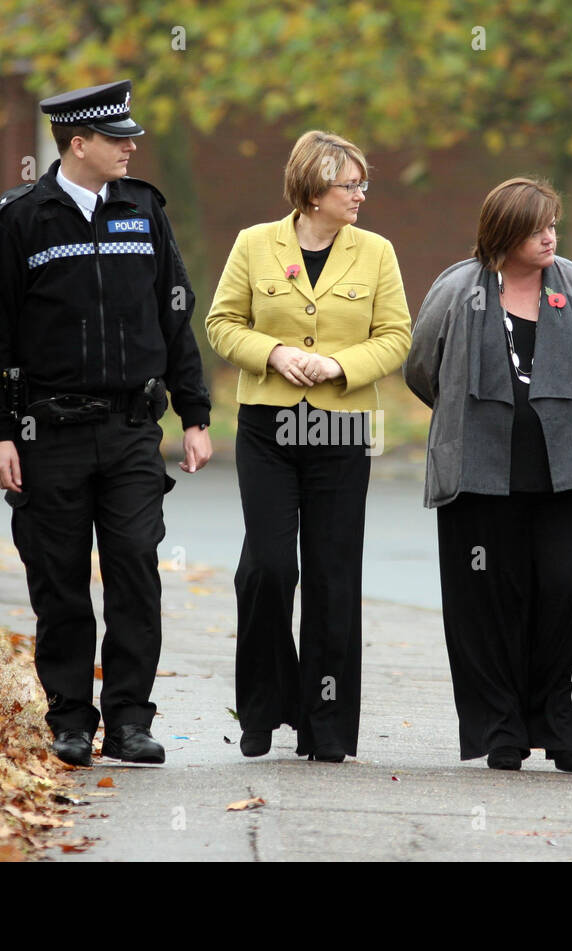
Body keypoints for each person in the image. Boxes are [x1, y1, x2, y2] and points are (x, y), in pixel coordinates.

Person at [0, 80, 213, 768]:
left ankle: (131, 720)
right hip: (46, 431)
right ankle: (71, 721)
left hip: (131, 426)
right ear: (78, 144)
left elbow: (175, 314)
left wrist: (195, 413)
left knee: (136, 565)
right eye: (117, 139)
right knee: (58, 579)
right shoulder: (23, 218)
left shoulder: (143, 210)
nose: (130, 147)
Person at [205, 131, 411, 762]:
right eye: (350, 184)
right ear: (313, 189)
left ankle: (326, 726)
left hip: (341, 428)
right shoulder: (253, 244)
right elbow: (221, 324)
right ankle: (263, 708)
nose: (360, 194)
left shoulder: (376, 252)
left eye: (362, 183)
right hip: (267, 427)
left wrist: (339, 366)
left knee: (332, 574)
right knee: (269, 568)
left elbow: (397, 336)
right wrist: (273, 353)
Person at [405, 178, 572, 772]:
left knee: (564, 593)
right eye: (536, 228)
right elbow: (423, 368)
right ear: (504, 233)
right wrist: (464, 416)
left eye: (553, 225)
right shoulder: (457, 288)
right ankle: (501, 732)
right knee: (487, 602)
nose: (550, 237)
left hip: (568, 474)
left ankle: (565, 730)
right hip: (478, 475)